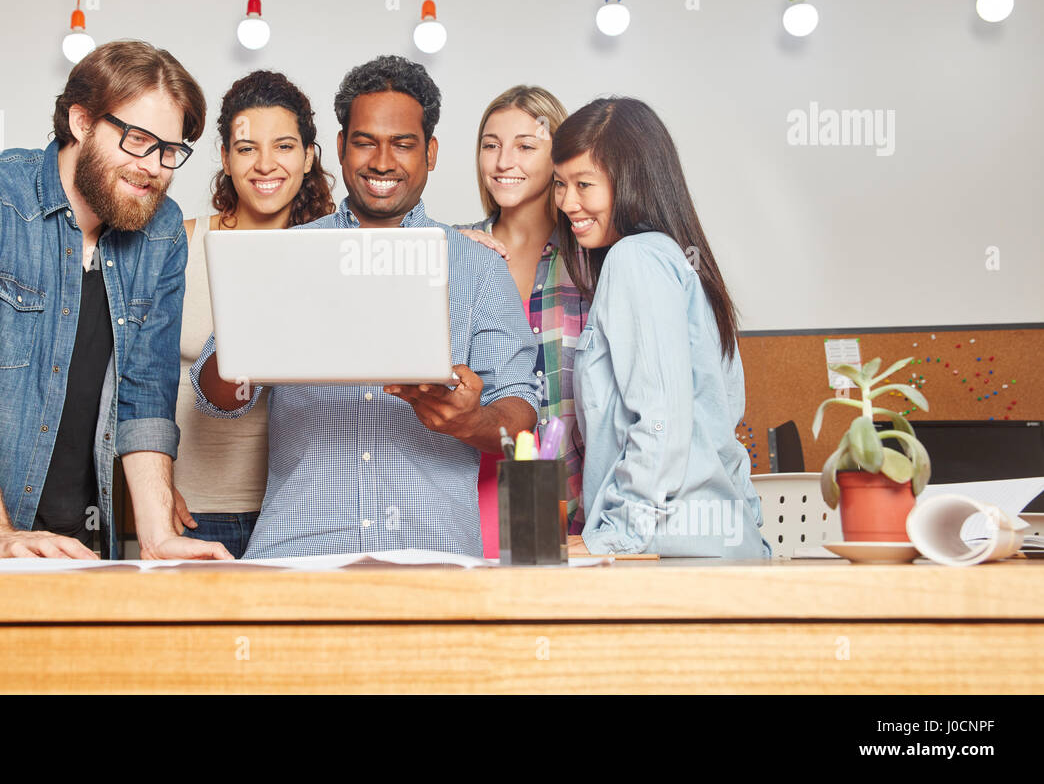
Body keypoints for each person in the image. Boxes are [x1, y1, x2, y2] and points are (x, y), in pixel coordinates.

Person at [191, 55, 540, 559]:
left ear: (431, 152)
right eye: (365, 142)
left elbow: (520, 410)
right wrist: (256, 345)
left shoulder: (478, 266)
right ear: (339, 147)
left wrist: (468, 422)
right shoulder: (283, 255)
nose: (382, 161)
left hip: (433, 555)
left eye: (403, 143)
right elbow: (215, 396)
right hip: (298, 554)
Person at [0, 40, 231, 561]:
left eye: (170, 151)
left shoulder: (162, 230)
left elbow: (145, 397)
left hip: (76, 542)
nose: (154, 168)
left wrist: (159, 537)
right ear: (81, 121)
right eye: (139, 140)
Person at [551, 97, 768, 558]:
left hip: (669, 553)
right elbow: (721, 429)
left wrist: (615, 537)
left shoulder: (636, 259)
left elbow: (660, 424)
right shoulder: (681, 262)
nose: (568, 203)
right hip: (719, 545)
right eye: (560, 184)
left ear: (631, 180)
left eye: (584, 184)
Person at [174, 70, 335, 558]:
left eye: (284, 146)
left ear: (309, 157)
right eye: (246, 149)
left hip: (299, 513)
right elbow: (125, 376)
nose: (265, 164)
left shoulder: (335, 252)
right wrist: (151, 485)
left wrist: (466, 240)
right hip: (192, 512)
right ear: (224, 158)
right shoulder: (179, 243)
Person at [456, 86, 590, 558]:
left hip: (578, 503)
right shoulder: (456, 253)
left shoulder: (591, 265)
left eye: (525, 146)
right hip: (474, 499)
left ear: (559, 158)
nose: (502, 161)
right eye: (490, 145)